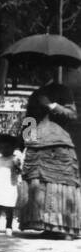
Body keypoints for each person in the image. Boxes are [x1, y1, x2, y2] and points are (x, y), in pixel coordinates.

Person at [17, 82, 80, 239]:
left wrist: (51, 105)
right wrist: (24, 144)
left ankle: (65, 227)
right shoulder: (35, 94)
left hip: (58, 143)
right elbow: (29, 119)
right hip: (36, 144)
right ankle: (47, 225)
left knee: (60, 184)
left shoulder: (64, 90)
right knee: (39, 185)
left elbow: (72, 115)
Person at [0, 133, 23, 234]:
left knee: (8, 206)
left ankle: (9, 226)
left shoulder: (15, 159)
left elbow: (19, 171)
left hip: (9, 185)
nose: (4, 150)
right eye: (1, 148)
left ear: (13, 147)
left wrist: (17, 166)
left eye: (7, 147)